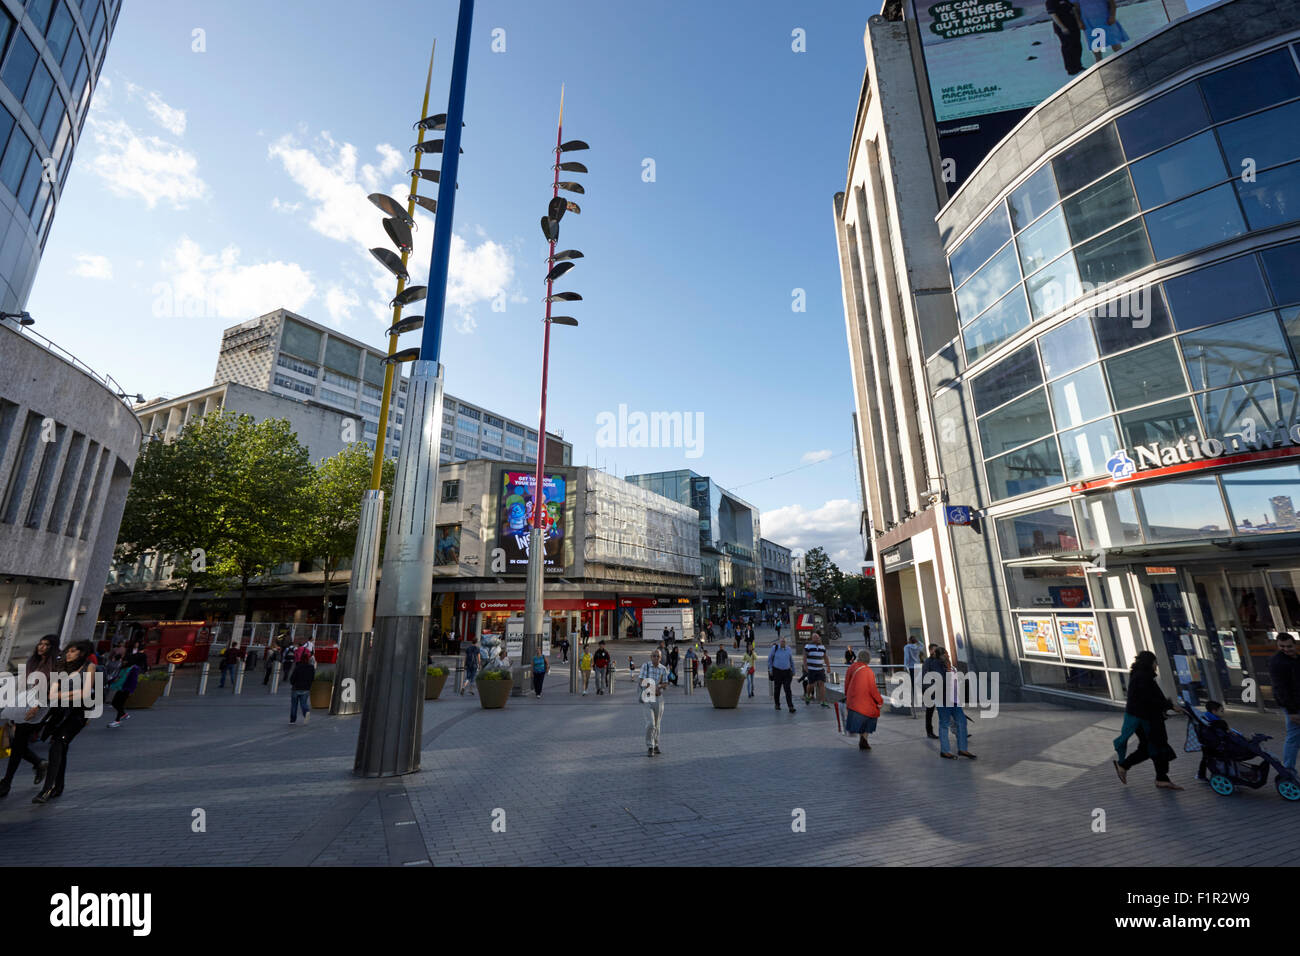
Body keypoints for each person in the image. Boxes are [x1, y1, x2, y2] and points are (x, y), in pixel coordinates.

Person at [33, 640, 97, 803]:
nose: (68, 654)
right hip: (59, 712)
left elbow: (84, 693)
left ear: (82, 653)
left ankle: (46, 789)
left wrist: (59, 695)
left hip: (77, 713)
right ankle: (58, 786)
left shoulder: (89, 666)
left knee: (57, 745)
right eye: (68, 650)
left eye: (73, 651)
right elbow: (52, 690)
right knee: (61, 748)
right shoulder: (61, 667)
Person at [1113, 651, 1181, 789]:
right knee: (1153, 747)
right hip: (1144, 720)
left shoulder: (1142, 676)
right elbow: (1149, 699)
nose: (1156, 665)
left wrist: (1168, 706)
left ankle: (1161, 778)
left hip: (1146, 718)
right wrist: (1170, 706)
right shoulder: (1142, 677)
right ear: (1149, 663)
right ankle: (1125, 766)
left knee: (1153, 747)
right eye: (1155, 662)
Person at [0, 635, 54, 798]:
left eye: (46, 645)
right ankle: (39, 763)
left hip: (38, 707)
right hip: (23, 704)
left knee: (17, 745)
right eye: (41, 643)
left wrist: (37, 707)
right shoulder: (33, 662)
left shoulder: (55, 666)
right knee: (18, 744)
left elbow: (52, 689)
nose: (42, 647)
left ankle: (7, 782)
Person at [931, 648, 975, 760]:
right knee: (944, 724)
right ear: (942, 656)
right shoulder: (937, 666)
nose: (949, 656)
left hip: (955, 700)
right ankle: (945, 751)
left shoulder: (949, 666)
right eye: (946, 654)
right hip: (944, 701)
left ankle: (963, 749)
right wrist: (949, 668)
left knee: (962, 722)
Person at [1268, 632, 1300, 773]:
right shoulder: (1278, 662)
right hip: (1294, 706)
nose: (1286, 649)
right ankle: (1288, 770)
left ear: (1295, 645)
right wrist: (1291, 711)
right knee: (1293, 737)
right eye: (1282, 646)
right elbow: (1280, 688)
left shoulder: (1297, 659)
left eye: (1289, 646)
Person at [844, 650, 884, 750]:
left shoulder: (851, 667)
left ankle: (862, 739)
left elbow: (846, 684)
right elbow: (873, 690)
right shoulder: (868, 671)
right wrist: (880, 701)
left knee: (861, 717)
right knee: (871, 715)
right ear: (868, 659)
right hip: (863, 701)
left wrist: (848, 698)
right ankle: (864, 739)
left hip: (852, 700)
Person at [639, 648, 670, 756]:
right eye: (654, 656)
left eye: (658, 656)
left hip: (658, 698)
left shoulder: (663, 669)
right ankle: (650, 746)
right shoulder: (645, 666)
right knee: (650, 724)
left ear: (661, 658)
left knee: (657, 724)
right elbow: (641, 681)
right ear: (650, 657)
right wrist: (653, 688)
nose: (656, 658)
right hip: (647, 697)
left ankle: (656, 744)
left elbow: (666, 683)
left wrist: (660, 686)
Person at [1046, 0, 1084, 76]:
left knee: (1077, 45)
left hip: (1073, 24)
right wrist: (1062, 27)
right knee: (1068, 47)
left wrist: (1078, 21)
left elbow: (1073, 9)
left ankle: (1078, 65)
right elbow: (1053, 15)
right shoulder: (1050, 1)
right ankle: (1071, 69)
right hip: (1062, 27)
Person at [106, 653, 140, 728]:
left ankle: (118, 720)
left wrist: (130, 690)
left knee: (118, 704)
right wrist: (110, 681)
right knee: (115, 703)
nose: (123, 661)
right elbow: (118, 677)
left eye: (125, 660)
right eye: (123, 660)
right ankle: (123, 716)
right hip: (120, 687)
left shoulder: (133, 668)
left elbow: (133, 681)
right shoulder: (124, 667)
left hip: (125, 689)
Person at [769, 636, 796, 713]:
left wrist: (793, 670)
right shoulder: (775, 648)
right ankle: (777, 704)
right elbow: (770, 659)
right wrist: (770, 669)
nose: (783, 643)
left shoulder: (788, 649)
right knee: (777, 688)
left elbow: (791, 660)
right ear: (779, 642)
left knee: (787, 689)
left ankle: (790, 706)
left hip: (787, 672)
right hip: (777, 671)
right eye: (781, 641)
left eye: (784, 641)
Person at [922, 644, 943, 738]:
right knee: (930, 711)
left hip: (942, 688)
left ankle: (958, 731)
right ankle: (929, 732)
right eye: (935, 650)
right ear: (930, 651)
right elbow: (924, 676)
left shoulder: (940, 660)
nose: (936, 652)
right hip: (931, 690)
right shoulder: (927, 661)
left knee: (946, 711)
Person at [289, 650, 315, 724]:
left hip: (296, 687)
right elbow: (312, 678)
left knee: (294, 705)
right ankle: (306, 712)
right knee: (303, 703)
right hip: (306, 688)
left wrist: (293, 683)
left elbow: (293, 677)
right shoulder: (311, 668)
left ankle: (292, 720)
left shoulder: (298, 667)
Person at [804, 634, 829, 708]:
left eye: (818, 637)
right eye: (815, 638)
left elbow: (825, 657)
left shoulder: (822, 647)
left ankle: (823, 701)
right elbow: (804, 657)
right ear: (812, 638)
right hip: (811, 669)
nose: (817, 639)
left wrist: (828, 666)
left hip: (820, 669)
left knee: (822, 684)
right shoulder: (808, 646)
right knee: (811, 685)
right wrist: (805, 666)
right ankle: (807, 695)